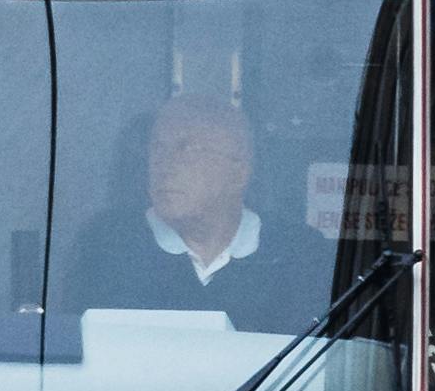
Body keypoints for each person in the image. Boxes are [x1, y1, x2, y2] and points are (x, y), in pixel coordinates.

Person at [58, 96, 305, 341]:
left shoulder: (297, 254)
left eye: (188, 150)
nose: (165, 165)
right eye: (158, 149)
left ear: (239, 173)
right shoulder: (105, 246)